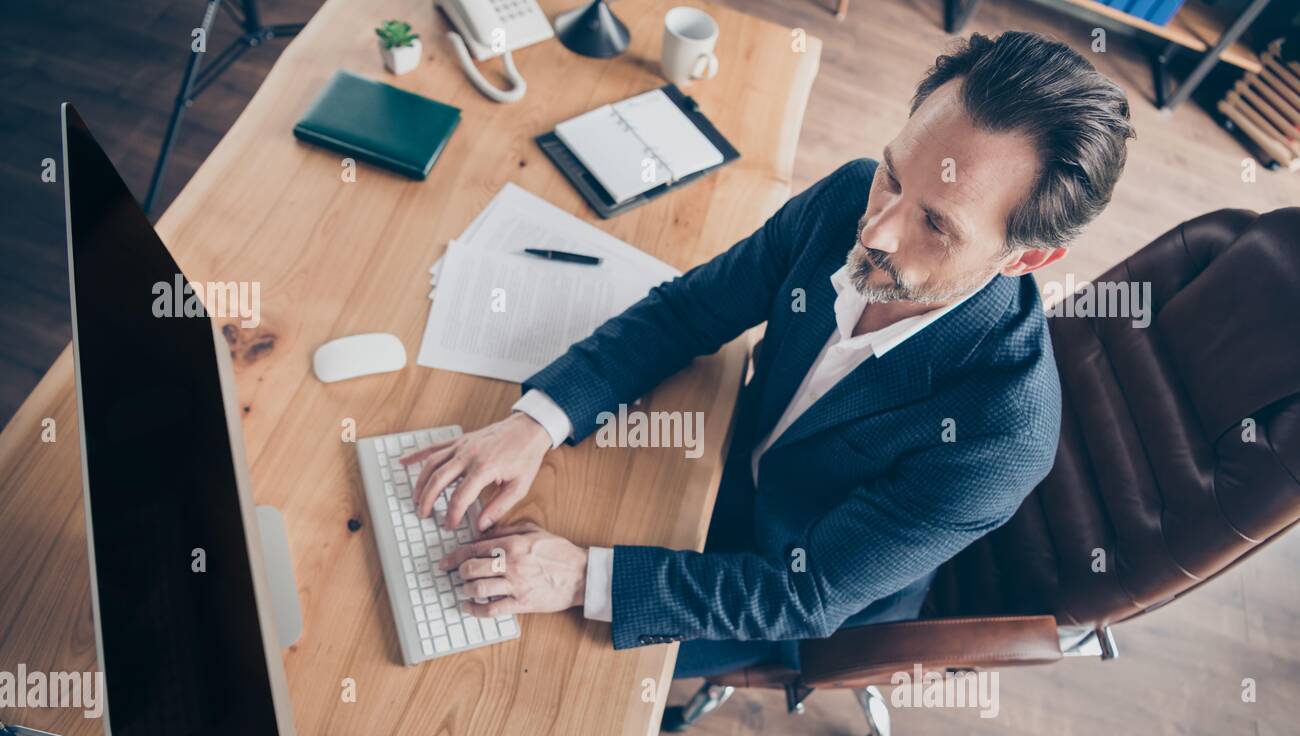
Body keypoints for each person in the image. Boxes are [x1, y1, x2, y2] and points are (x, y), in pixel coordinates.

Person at [400, 31, 1135, 678]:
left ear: (1028, 256)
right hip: (721, 459)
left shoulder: (1001, 433)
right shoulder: (850, 198)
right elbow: (692, 309)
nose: (873, 233)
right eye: (893, 175)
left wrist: (581, 578)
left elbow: (803, 595)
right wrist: (537, 423)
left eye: (936, 225)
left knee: (527, 674)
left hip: (782, 586)